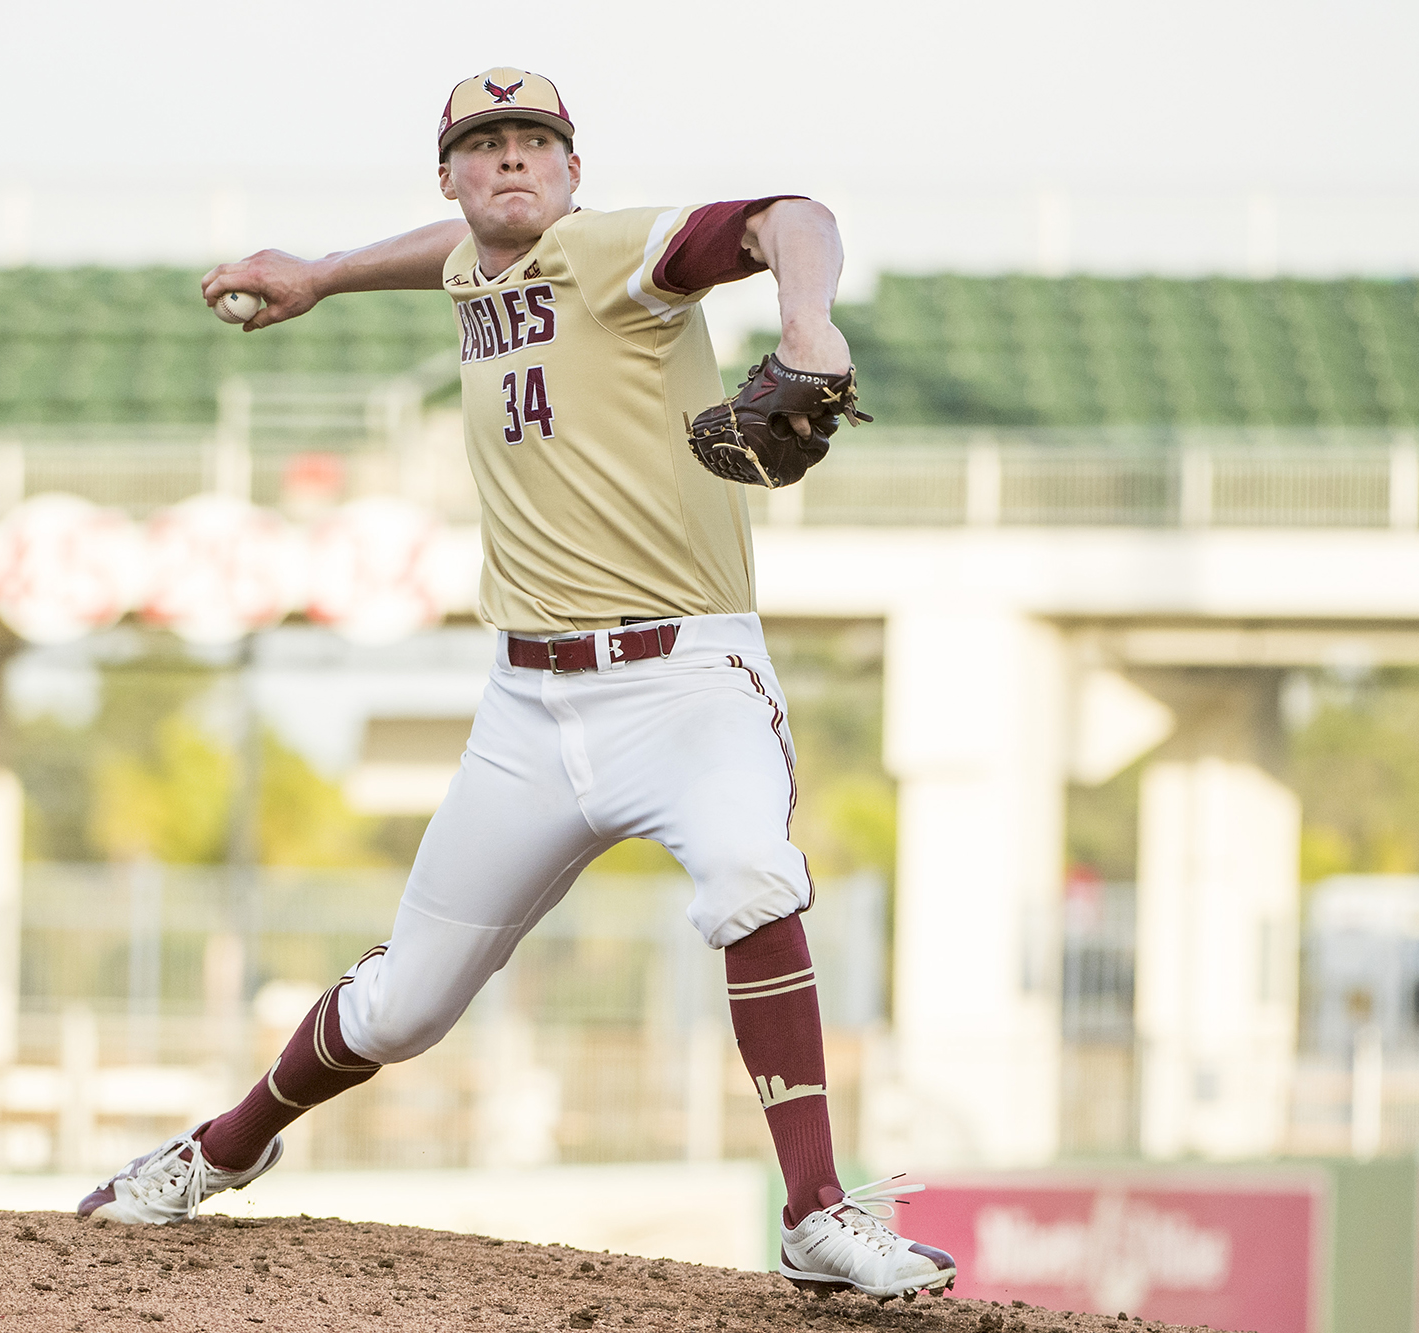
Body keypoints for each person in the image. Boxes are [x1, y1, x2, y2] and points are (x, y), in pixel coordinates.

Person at [78, 66, 956, 1302]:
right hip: (528, 709)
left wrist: (806, 325)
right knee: (400, 1008)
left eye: (534, 143)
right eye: (483, 145)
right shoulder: (474, 264)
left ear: (573, 170)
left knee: (752, 873)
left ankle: (814, 1207)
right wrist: (324, 275)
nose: (510, 162)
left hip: (685, 681)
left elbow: (788, 216)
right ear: (449, 173)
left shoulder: (609, 252)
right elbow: (453, 253)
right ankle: (216, 1150)